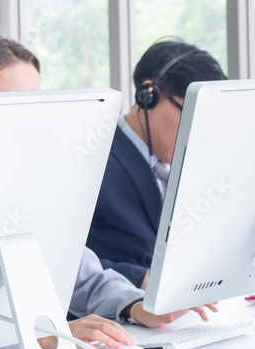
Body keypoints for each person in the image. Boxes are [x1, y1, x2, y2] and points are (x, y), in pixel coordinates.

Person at [0, 34, 215, 349]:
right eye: (13, 104)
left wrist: (138, 307)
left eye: (34, 106)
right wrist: (45, 335)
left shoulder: (30, 184)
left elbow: (84, 277)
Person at [88, 39, 227, 288]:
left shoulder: (193, 167)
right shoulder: (93, 160)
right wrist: (139, 278)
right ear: (148, 95)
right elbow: (65, 258)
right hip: (119, 317)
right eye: (190, 112)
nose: (197, 129)